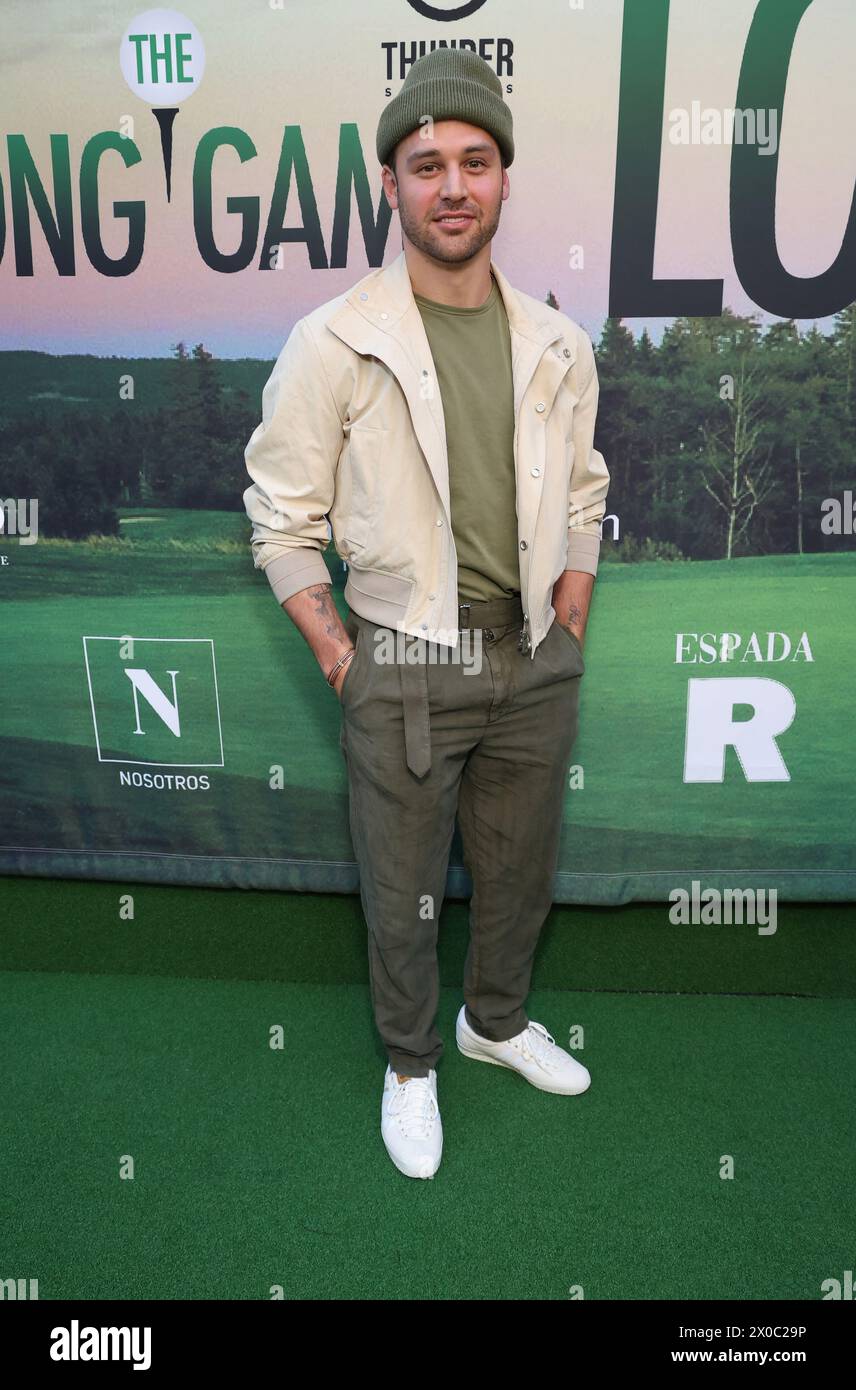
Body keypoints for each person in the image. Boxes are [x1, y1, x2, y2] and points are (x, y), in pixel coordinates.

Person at [242, 48, 610, 1180]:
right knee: (403, 891)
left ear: (504, 181)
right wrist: (343, 652)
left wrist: (574, 605)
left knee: (519, 872)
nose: (452, 184)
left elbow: (585, 487)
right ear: (390, 186)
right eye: (425, 164)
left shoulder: (558, 341)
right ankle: (411, 1066)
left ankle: (492, 1023)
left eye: (474, 162)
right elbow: (279, 518)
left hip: (533, 657)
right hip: (399, 660)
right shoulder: (333, 339)